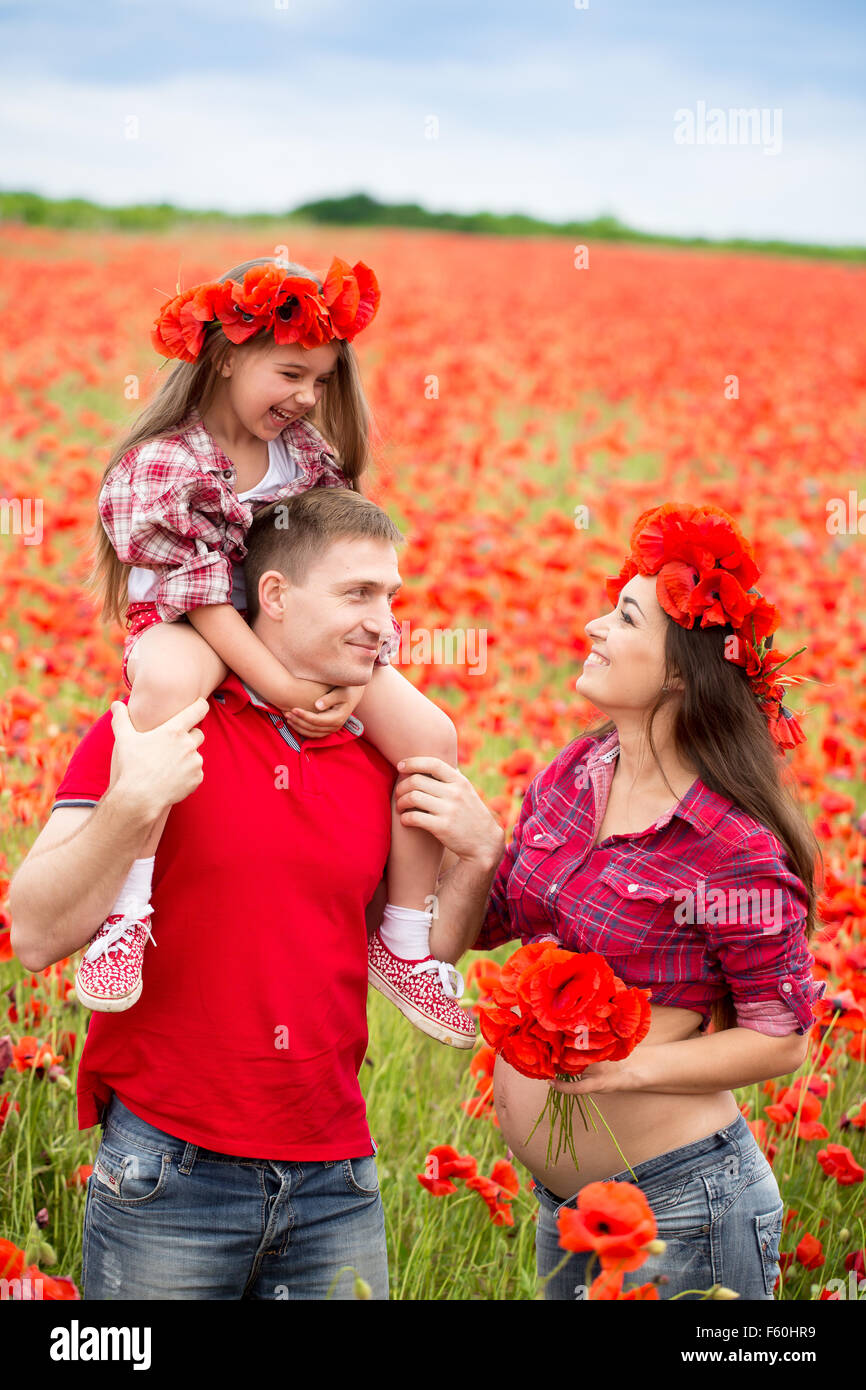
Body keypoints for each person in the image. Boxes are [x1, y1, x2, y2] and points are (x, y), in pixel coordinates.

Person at [8, 487, 481, 1299]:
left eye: (391, 597)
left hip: (339, 1177)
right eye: (358, 594)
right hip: (170, 1173)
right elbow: (35, 929)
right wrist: (130, 805)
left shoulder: (386, 757)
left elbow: (402, 946)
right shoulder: (164, 723)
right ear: (274, 596)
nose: (384, 622)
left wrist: (473, 861)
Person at [395, 502, 828, 1301]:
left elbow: (781, 1042)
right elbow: (480, 930)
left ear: (677, 673)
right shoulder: (573, 775)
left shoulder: (731, 848)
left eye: (623, 615)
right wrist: (477, 850)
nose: (593, 625)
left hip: (685, 1211)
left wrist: (627, 1070)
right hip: (569, 1208)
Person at [76, 252, 473, 1049]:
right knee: (163, 688)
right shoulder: (168, 461)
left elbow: (343, 571)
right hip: (195, 624)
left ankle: (401, 940)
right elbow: (205, 600)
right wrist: (285, 689)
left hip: (295, 628)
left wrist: (352, 682)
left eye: (321, 381)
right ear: (224, 356)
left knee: (433, 737)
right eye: (290, 373)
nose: (305, 397)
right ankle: (125, 914)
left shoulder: (310, 461)